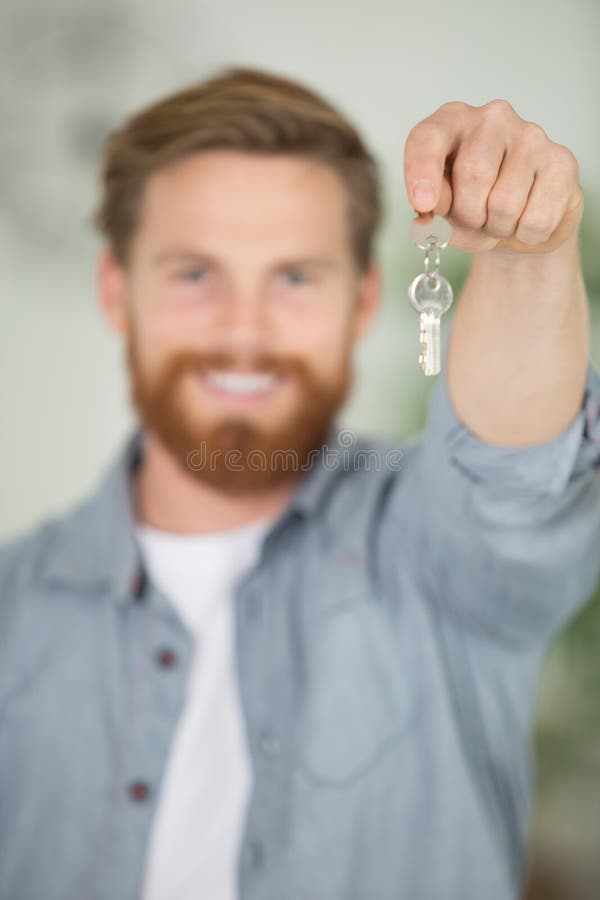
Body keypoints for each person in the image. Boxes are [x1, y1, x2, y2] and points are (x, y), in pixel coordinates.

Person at [1, 65, 600, 900]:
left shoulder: (439, 552)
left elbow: (512, 474)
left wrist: (527, 250)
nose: (244, 331)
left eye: (294, 277)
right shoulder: (14, 607)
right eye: (194, 274)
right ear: (116, 292)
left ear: (363, 301)